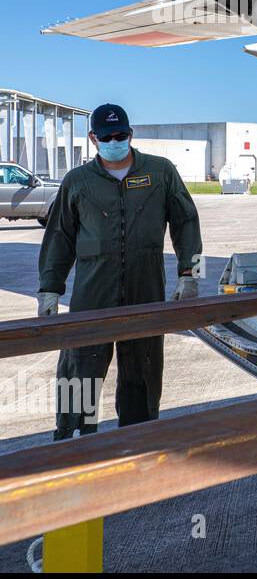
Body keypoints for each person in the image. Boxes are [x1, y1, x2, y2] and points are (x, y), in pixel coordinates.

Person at [37, 103, 203, 439]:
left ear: (131, 134)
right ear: (93, 139)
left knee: (143, 367)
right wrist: (49, 287)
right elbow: (59, 236)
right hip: (92, 292)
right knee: (79, 366)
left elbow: (187, 222)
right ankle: (71, 438)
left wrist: (191, 274)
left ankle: (137, 439)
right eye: (107, 136)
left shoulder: (160, 172)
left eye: (121, 135)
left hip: (145, 291)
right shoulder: (78, 181)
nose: (115, 141)